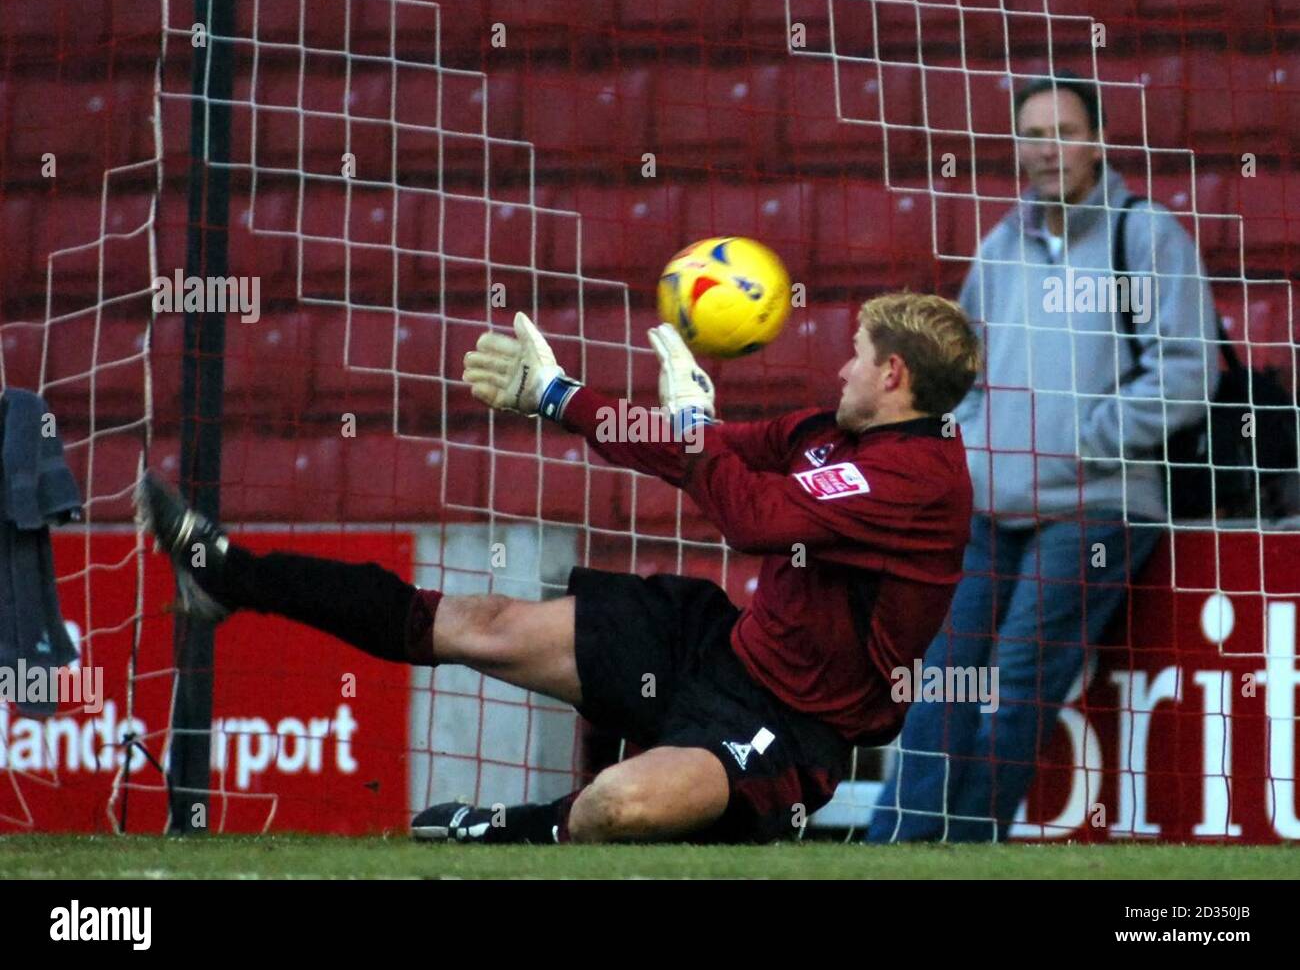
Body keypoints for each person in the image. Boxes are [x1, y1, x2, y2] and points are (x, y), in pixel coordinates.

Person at [138, 292, 979, 844]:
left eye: (857, 354)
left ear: (894, 374)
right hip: (716, 643)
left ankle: (505, 831)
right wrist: (561, 396)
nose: (843, 366)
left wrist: (691, 433)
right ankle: (226, 572)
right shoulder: (828, 432)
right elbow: (710, 450)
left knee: (619, 804)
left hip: (791, 728)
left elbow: (755, 517)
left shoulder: (924, 483)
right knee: (478, 623)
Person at [867, 72, 1221, 843]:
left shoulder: (1144, 234)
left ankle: (966, 846)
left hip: (1097, 504)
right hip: (993, 502)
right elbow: (958, 373)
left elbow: (1190, 370)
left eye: (1063, 131)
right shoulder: (1001, 246)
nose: (1047, 148)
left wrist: (1084, 438)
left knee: (1017, 685)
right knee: (943, 679)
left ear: (1096, 141)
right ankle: (896, 846)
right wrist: (969, 450)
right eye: (1033, 133)